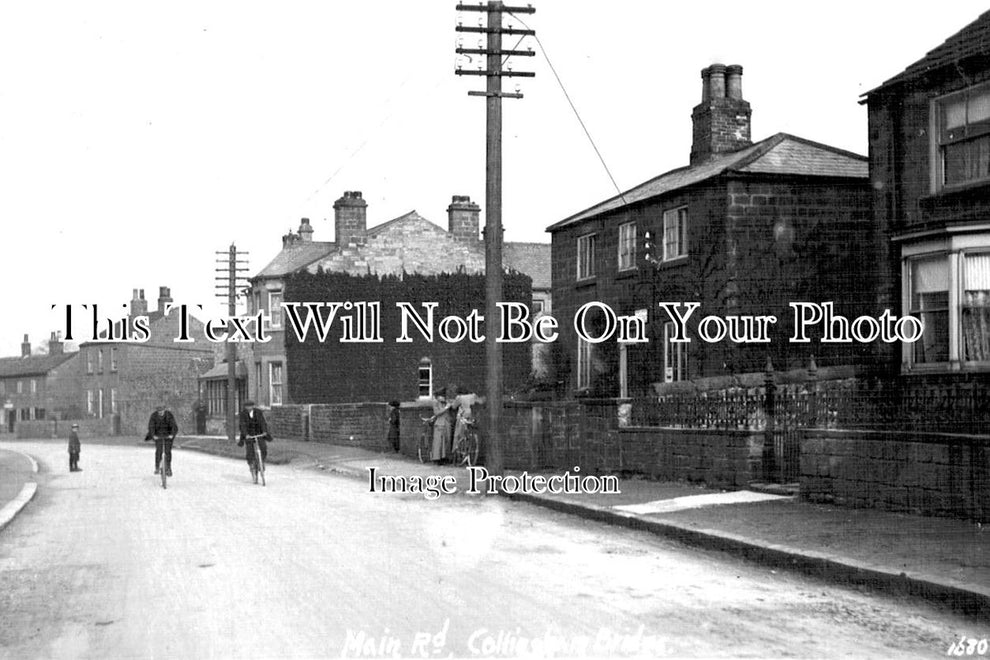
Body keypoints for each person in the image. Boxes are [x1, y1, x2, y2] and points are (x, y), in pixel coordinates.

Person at [145, 404, 178, 476]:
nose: (160, 413)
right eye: (159, 412)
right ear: (157, 412)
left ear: (164, 410)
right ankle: (157, 467)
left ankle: (168, 468)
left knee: (168, 451)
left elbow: (173, 425)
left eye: (162, 411)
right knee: (159, 451)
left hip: (168, 434)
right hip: (158, 435)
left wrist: (172, 434)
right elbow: (151, 426)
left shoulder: (169, 415)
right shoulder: (153, 416)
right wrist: (153, 435)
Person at [238, 400, 272, 469]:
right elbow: (242, 425)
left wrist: (264, 431)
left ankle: (262, 461)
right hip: (249, 434)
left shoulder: (258, 412)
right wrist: (246, 434)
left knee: (263, 447)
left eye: (251, 406)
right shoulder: (242, 414)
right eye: (247, 407)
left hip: (258, 432)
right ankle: (251, 464)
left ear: (253, 406)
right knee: (250, 450)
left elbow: (262, 422)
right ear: (245, 407)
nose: (249, 408)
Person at [429, 388, 454, 463]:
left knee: (446, 441)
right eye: (441, 396)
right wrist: (446, 408)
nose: (443, 398)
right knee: (439, 442)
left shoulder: (446, 402)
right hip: (439, 423)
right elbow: (436, 413)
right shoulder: (435, 402)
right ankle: (437, 458)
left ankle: (445, 457)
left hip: (447, 423)